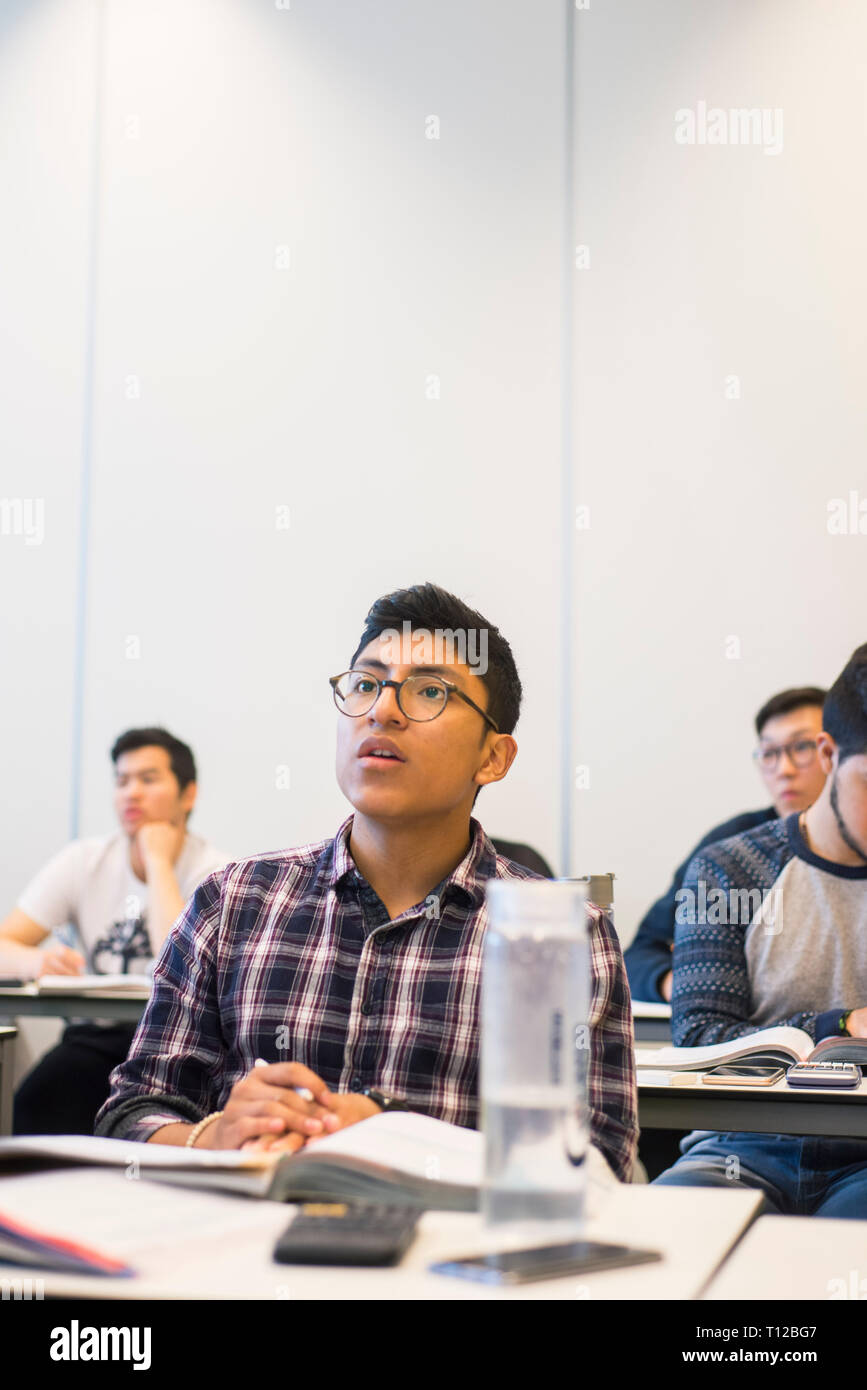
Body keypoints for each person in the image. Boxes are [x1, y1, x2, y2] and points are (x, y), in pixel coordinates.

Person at [95, 583, 638, 1183]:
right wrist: (210, 1136)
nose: (383, 710)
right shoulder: (235, 903)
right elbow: (131, 1112)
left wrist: (392, 1133)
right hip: (242, 1255)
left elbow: (595, 1160)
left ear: (494, 757)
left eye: (430, 691)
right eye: (365, 684)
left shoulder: (558, 935)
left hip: (451, 1263)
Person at [653, 644, 867, 1217]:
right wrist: (841, 1025)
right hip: (740, 1145)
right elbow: (698, 1037)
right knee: (668, 1232)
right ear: (830, 754)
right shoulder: (730, 868)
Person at [0, 728, 228, 1134]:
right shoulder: (83, 861)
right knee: (35, 1103)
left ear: (188, 794)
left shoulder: (217, 872)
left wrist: (157, 864)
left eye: (148, 779)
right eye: (121, 781)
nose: (131, 793)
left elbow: (177, 968)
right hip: (95, 1040)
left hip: (173, 1048)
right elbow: (4, 945)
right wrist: (39, 960)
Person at [624, 686, 827, 1004]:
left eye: (802, 747)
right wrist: (688, 983)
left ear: (833, 751)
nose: (784, 770)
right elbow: (641, 953)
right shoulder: (729, 850)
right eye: (770, 753)